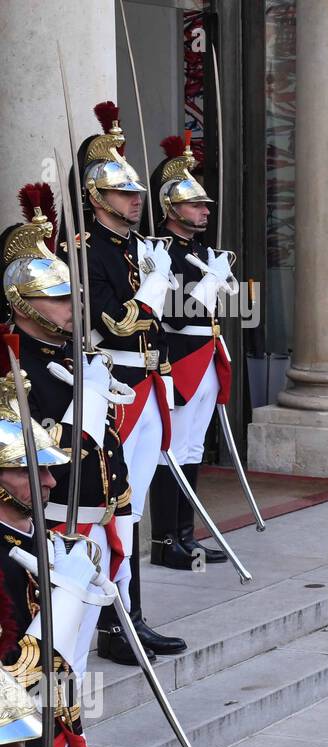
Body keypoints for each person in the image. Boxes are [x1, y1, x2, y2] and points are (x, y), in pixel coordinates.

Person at [3, 181, 135, 671]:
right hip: (52, 523)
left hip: (93, 519)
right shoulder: (11, 368)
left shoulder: (75, 356)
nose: (73, 308)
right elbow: (28, 451)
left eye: (73, 296)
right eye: (58, 299)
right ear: (21, 304)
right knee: (47, 664)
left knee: (74, 663)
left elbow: (109, 445)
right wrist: (85, 411)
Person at [71, 101, 185, 661]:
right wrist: (155, 290)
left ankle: (131, 618)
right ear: (97, 197)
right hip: (114, 388)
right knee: (113, 508)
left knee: (133, 507)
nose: (136, 200)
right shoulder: (87, 252)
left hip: (148, 385)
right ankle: (114, 626)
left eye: (138, 192)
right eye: (124, 193)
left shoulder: (139, 248)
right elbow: (115, 320)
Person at [0, 391, 116, 747]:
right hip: (12, 737)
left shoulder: (46, 542)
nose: (49, 481)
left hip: (58, 716)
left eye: (49, 469)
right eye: (32, 471)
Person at [148, 133, 234, 567]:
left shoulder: (199, 249)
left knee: (194, 449)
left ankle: (187, 535)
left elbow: (224, 307)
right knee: (174, 449)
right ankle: (165, 543)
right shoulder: (159, 253)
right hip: (180, 356)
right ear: (171, 209)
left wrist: (220, 283)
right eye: (196, 205)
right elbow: (175, 314)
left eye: (205, 206)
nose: (204, 211)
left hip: (207, 355)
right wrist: (211, 281)